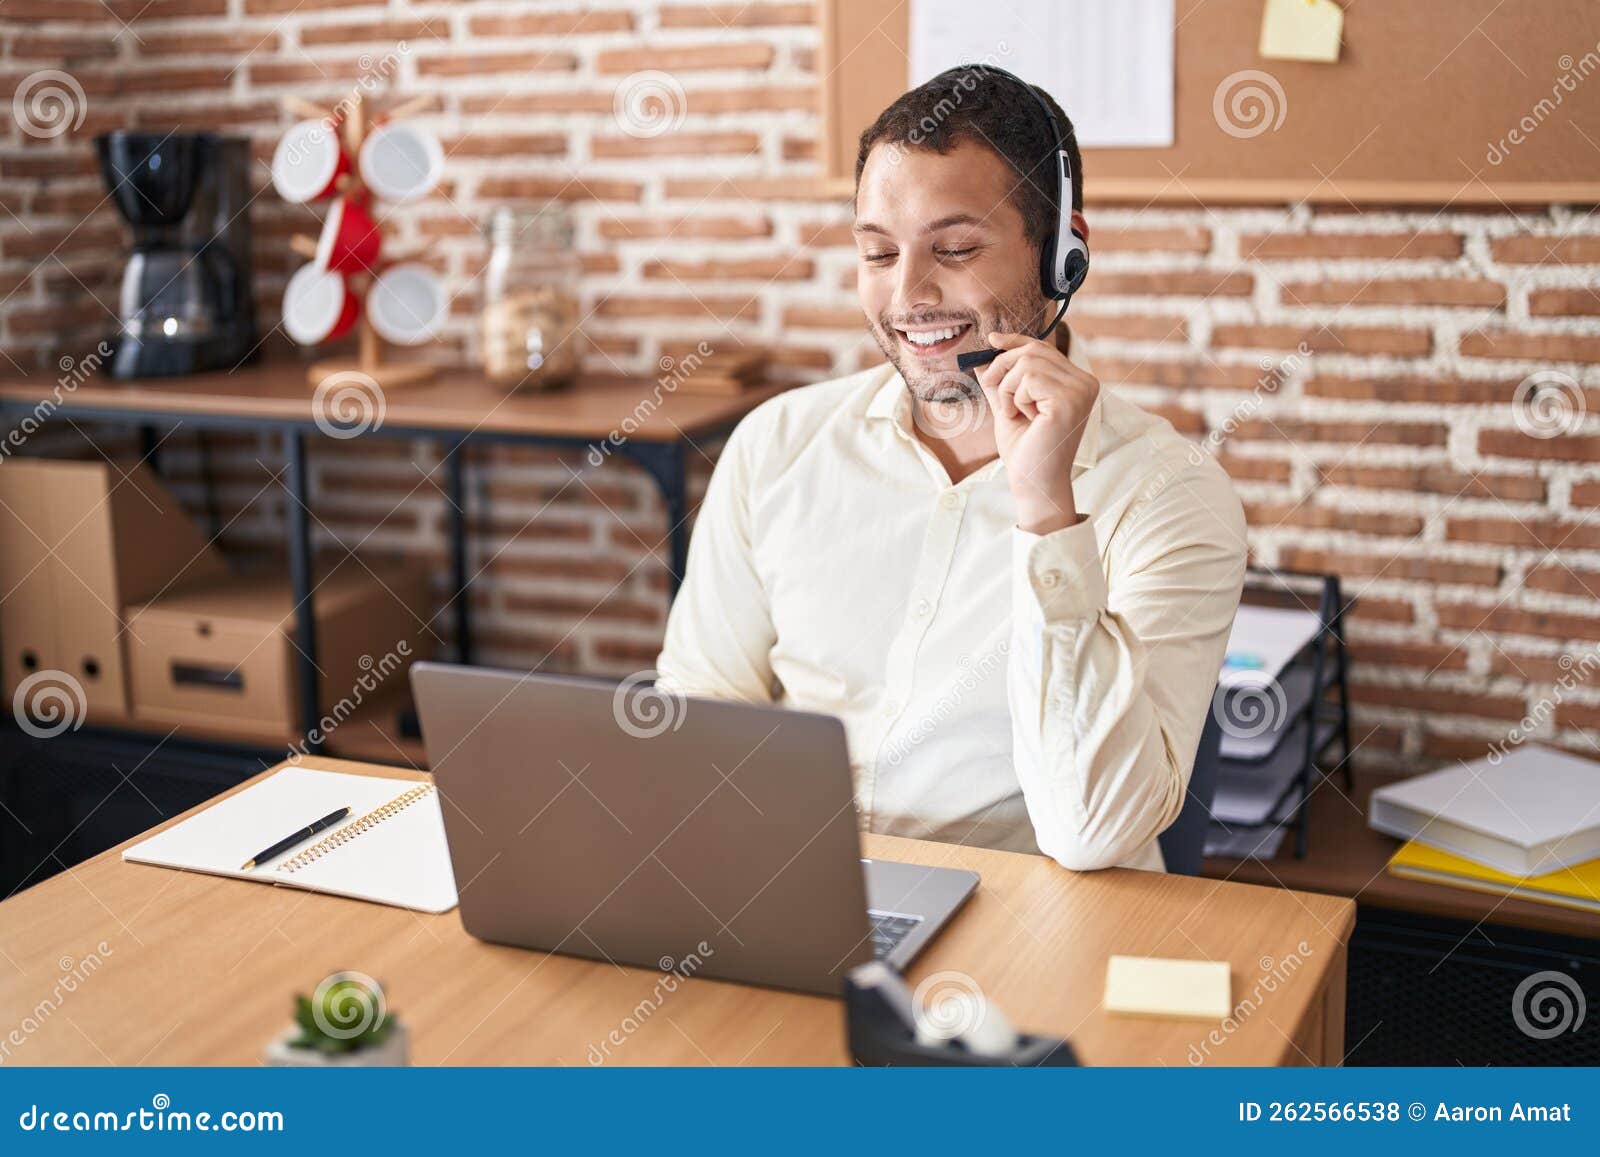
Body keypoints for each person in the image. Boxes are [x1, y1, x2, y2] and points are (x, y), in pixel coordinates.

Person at [655, 67, 1246, 872]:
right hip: (793, 897)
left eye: (956, 248)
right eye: (877, 252)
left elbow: (1096, 831)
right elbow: (700, 714)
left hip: (1029, 939)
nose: (907, 296)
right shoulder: (779, 445)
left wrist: (1045, 509)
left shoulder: (1170, 496)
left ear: (1062, 254)